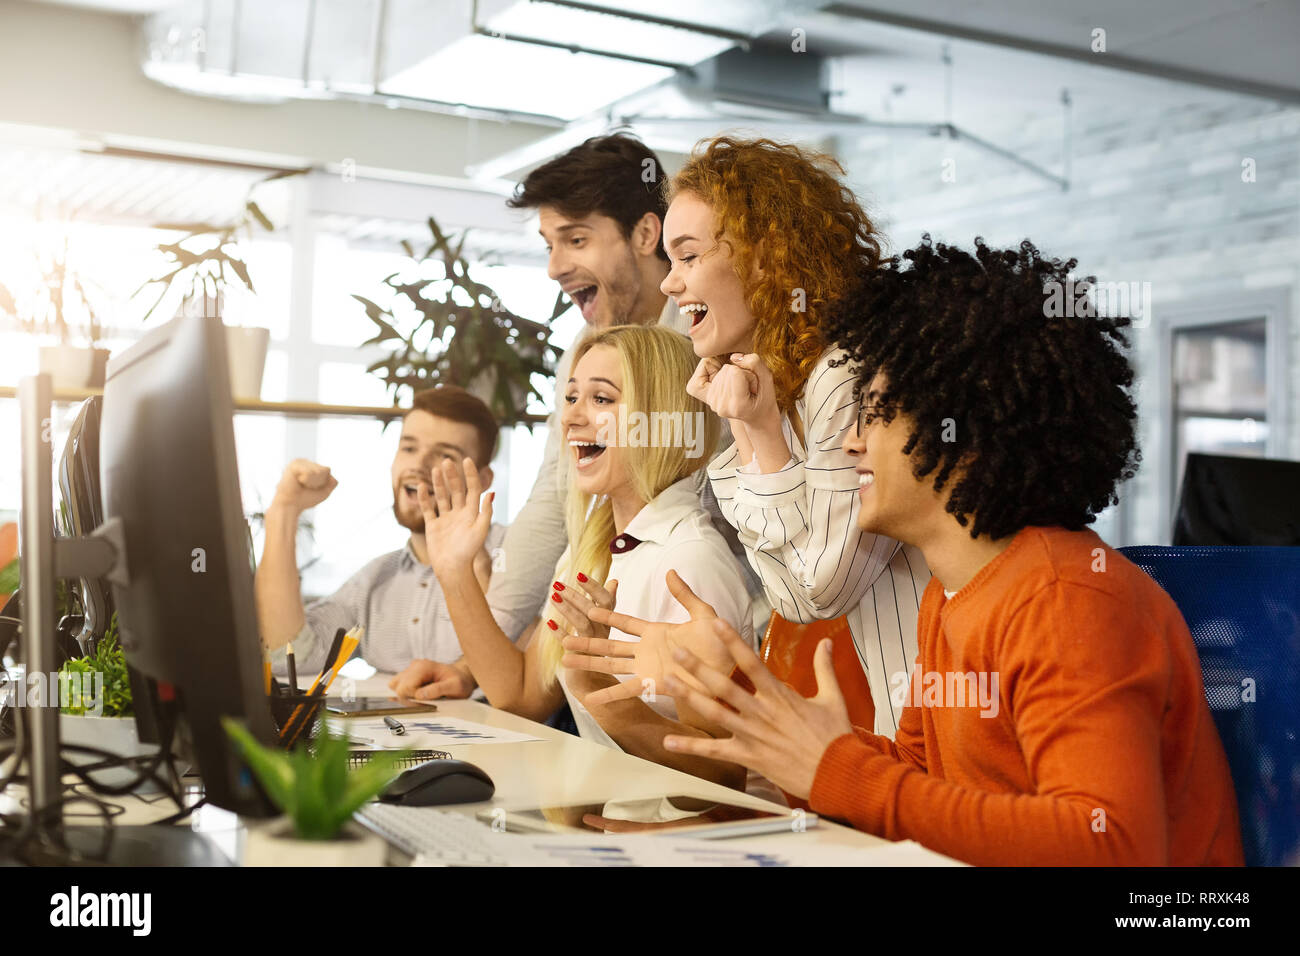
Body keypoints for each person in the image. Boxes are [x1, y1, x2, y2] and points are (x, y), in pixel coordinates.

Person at [592, 237, 1244, 866]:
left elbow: (1111, 846)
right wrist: (739, 712)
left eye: (871, 414)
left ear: (965, 430)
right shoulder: (948, 595)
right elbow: (913, 786)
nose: (847, 443)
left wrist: (835, 766)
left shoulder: (1068, 598)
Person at [659, 136, 930, 736]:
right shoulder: (789, 386)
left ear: (763, 257)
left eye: (688, 256)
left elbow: (822, 592)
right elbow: (793, 600)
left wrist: (757, 435)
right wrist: (748, 428)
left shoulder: (846, 373)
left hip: (937, 726)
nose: (668, 285)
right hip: (904, 723)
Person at [417, 325, 754, 790]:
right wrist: (454, 571)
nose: (573, 418)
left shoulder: (690, 561)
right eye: (572, 397)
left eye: (601, 399)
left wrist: (598, 692)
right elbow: (518, 694)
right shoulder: (593, 551)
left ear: (660, 419)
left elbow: (725, 777)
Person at [483, 132, 692, 652]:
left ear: (646, 234)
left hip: (720, 635)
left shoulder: (710, 339)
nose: (555, 266)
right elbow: (556, 498)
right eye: (549, 244)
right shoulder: (581, 353)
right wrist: (476, 658)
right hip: (615, 635)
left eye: (576, 240)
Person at [255, 385, 506, 692]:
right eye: (409, 448)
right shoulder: (376, 580)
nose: (419, 464)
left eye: (444, 454)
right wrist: (284, 509)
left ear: (482, 480)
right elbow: (289, 656)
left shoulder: (512, 555)